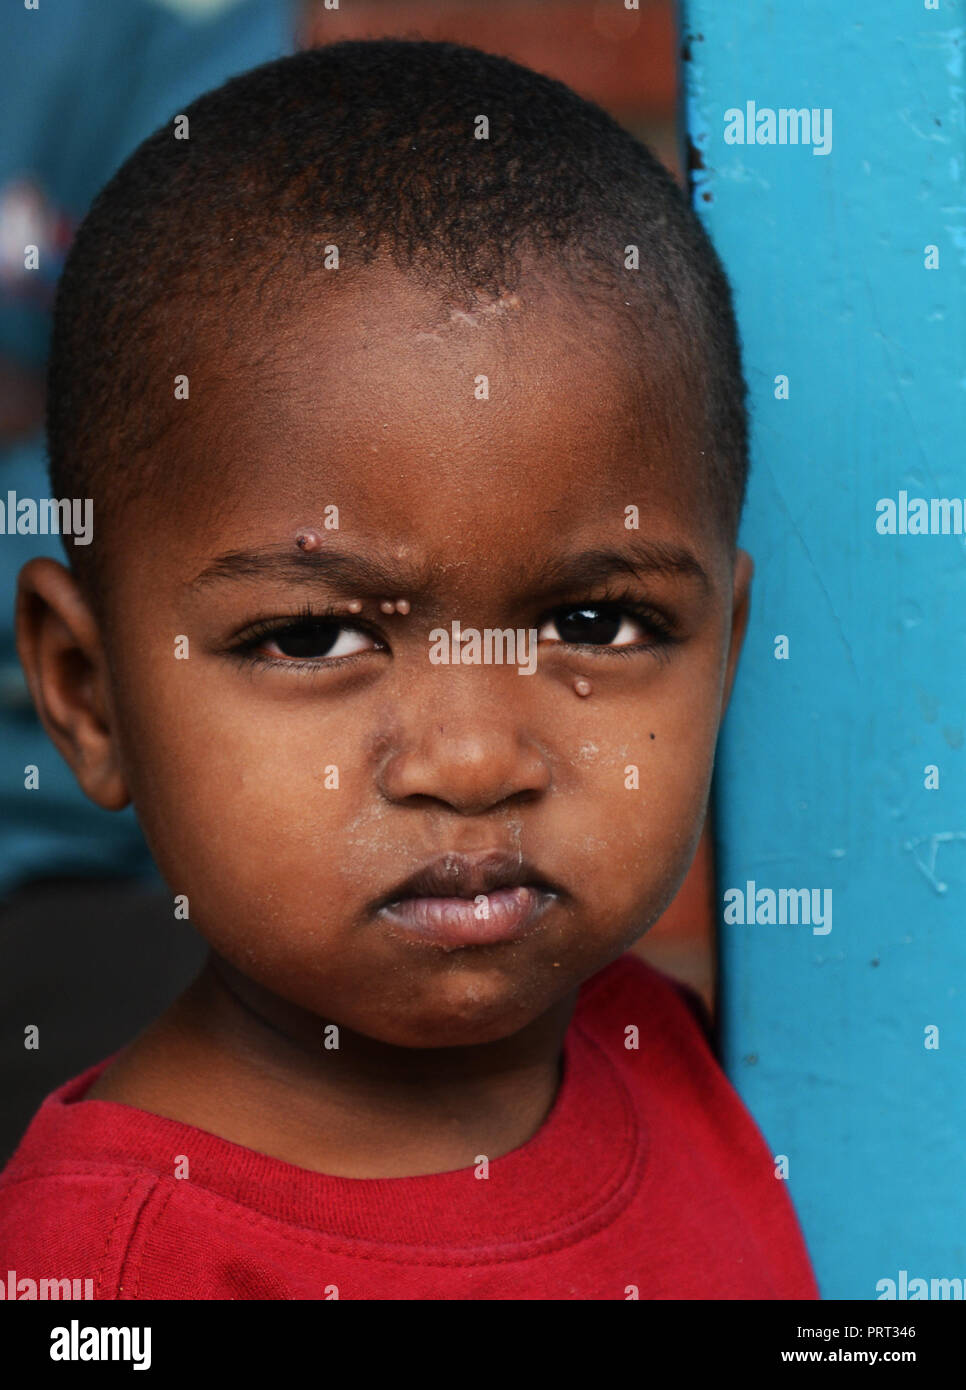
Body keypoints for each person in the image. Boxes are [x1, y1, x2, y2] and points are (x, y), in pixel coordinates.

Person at [0, 39, 818, 1300]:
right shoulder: (102, 1273)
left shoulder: (678, 1059)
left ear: (722, 655)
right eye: (314, 638)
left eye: (597, 624)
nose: (473, 760)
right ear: (87, 691)